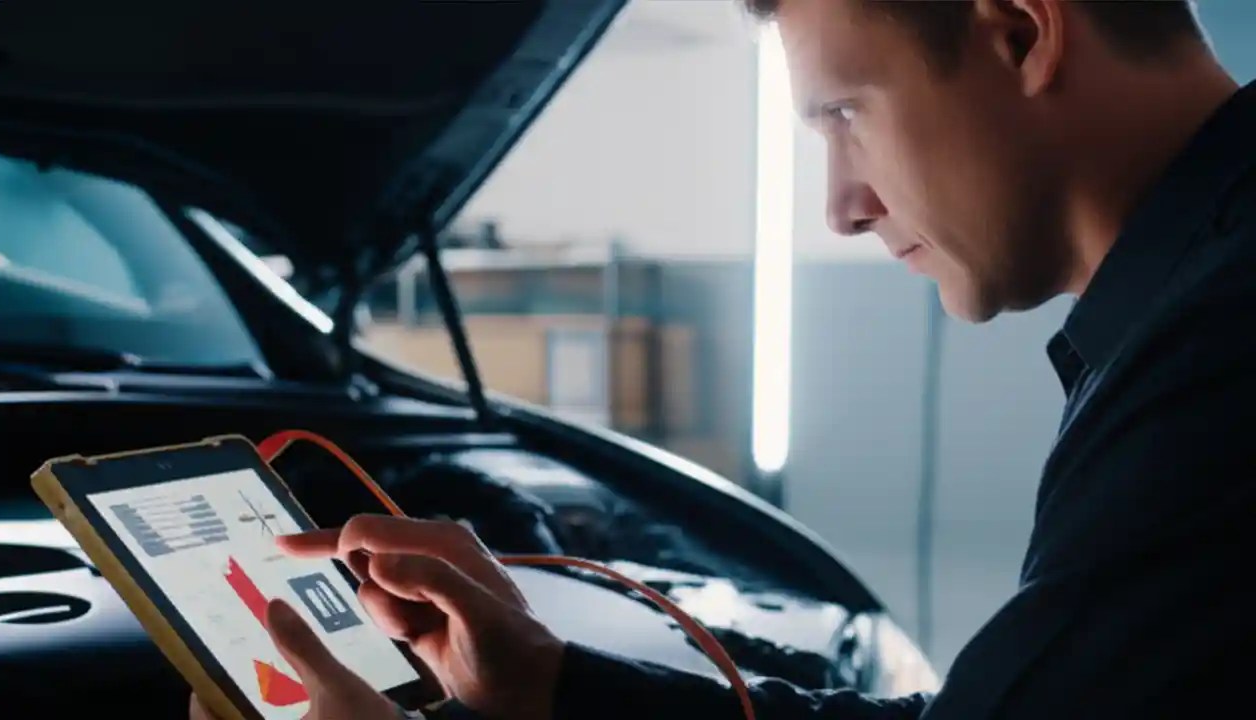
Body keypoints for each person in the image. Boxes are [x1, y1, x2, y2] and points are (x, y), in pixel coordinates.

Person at [194, 0, 1256, 718]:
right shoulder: (1193, 308)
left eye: (844, 113)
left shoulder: (1218, 359)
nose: (842, 206)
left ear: (1020, 30)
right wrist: (554, 688)